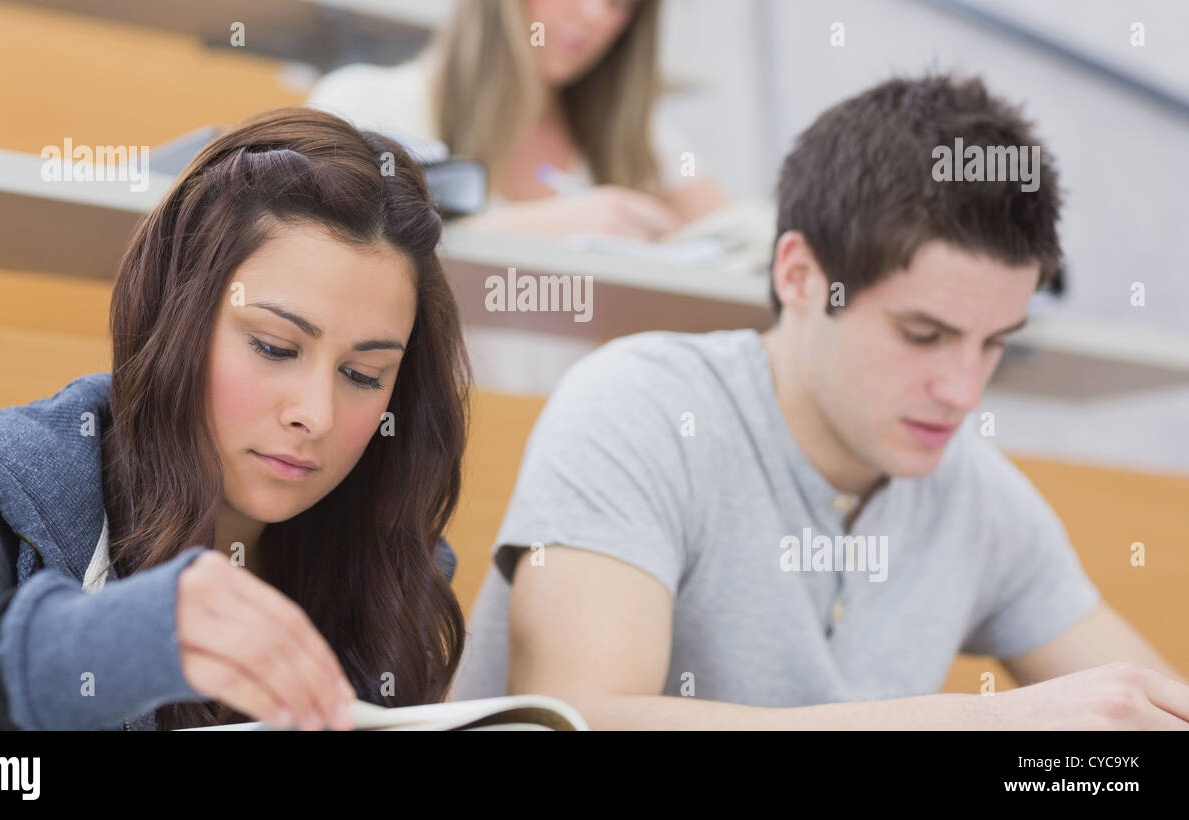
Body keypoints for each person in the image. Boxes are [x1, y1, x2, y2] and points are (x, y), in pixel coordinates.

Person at [450, 73, 1189, 728]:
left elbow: (1147, 703)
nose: (964, 391)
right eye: (923, 333)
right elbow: (582, 720)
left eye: (996, 341)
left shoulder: (977, 495)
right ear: (800, 275)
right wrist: (978, 725)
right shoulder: (639, 407)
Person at [0, 107, 469, 731]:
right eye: (274, 348)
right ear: (173, 321)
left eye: (363, 375)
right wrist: (101, 645)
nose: (316, 416)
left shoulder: (393, 570)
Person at [307, 0, 730, 241]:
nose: (595, 14)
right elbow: (338, 256)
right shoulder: (365, 106)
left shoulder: (644, 141)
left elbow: (746, 239)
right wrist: (550, 226)